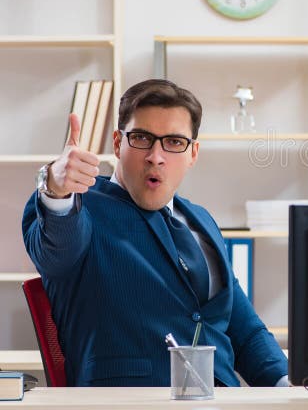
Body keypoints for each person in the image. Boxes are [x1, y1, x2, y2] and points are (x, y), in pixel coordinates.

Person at [22, 79, 288, 387]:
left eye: (174, 142)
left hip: (219, 407)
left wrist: (287, 384)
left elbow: (244, 329)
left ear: (193, 153)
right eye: (142, 138)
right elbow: (56, 249)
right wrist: (56, 188)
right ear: (118, 143)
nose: (156, 156)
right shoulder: (81, 205)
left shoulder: (201, 220)